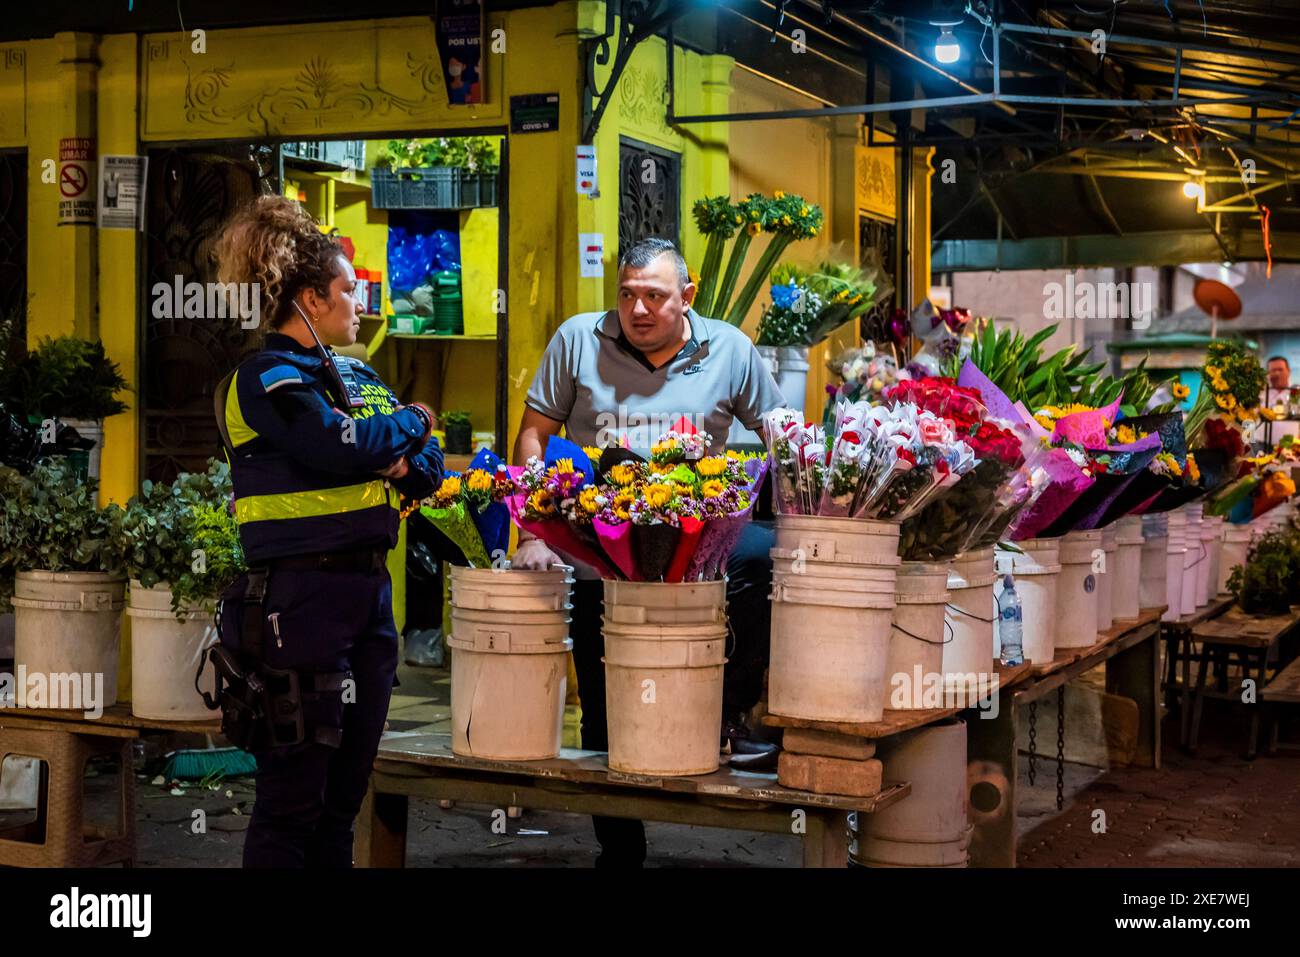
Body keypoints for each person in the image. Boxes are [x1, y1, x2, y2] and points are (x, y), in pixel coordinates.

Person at [512, 237, 786, 867]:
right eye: (627, 294)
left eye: (655, 296)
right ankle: (620, 848)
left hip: (698, 557)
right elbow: (533, 433)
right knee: (607, 709)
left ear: (687, 298)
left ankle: (727, 715)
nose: (638, 309)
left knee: (768, 558)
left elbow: (780, 436)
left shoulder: (731, 351)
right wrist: (532, 533)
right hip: (598, 553)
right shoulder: (578, 340)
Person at [212, 195, 443, 867]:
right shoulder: (265, 376)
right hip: (295, 603)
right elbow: (339, 443)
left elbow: (422, 470)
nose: (358, 305)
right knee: (293, 803)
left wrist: (398, 444)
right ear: (311, 298)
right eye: (349, 291)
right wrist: (415, 420)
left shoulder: (360, 375)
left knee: (344, 800)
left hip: (367, 599)